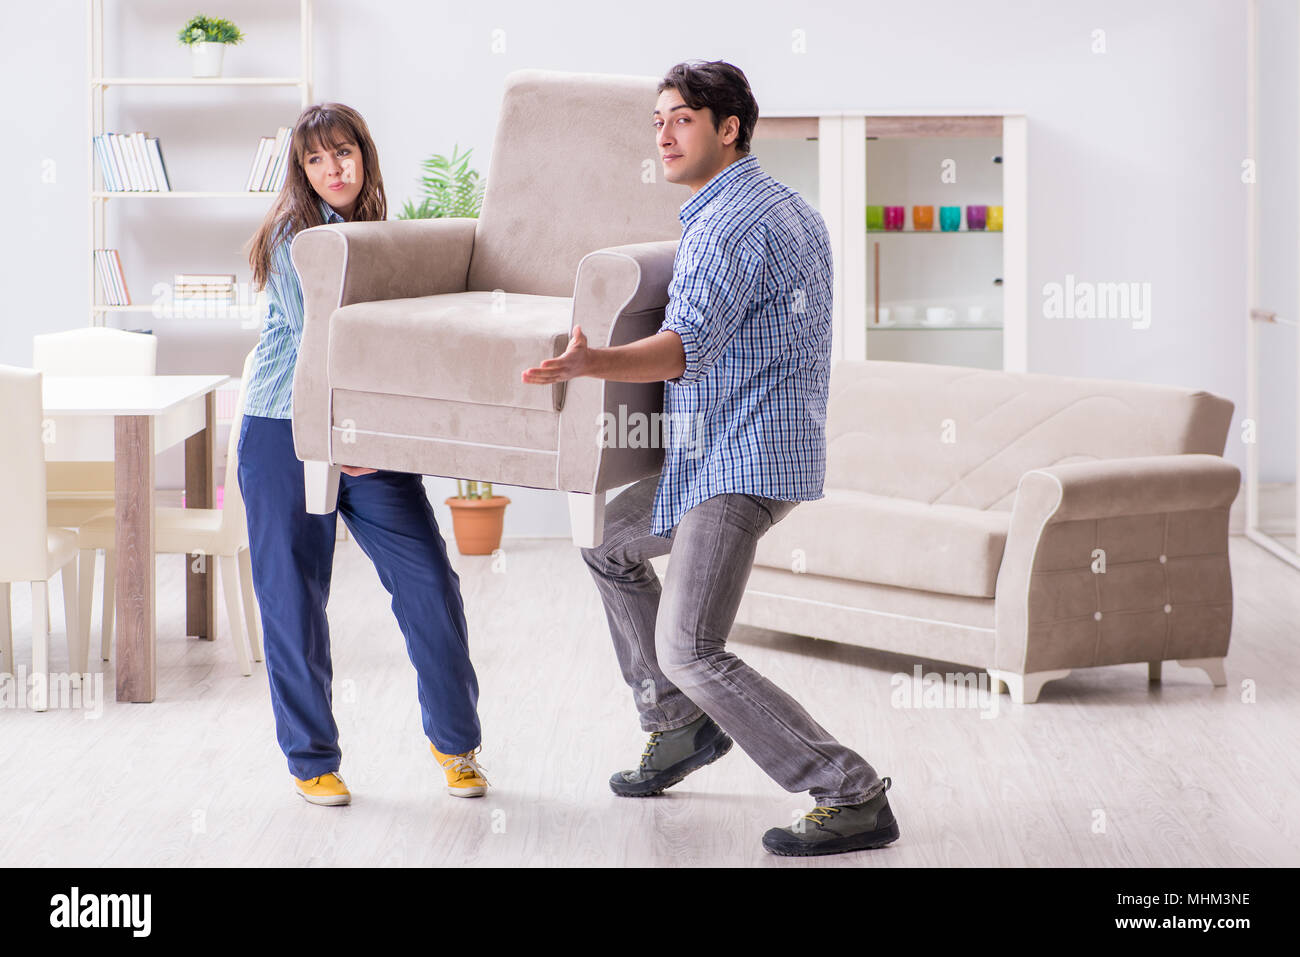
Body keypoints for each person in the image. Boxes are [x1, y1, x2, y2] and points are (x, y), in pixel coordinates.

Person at [521, 61, 899, 856]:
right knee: (606, 541)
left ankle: (850, 790)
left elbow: (683, 350)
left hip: (739, 459)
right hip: (730, 445)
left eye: (682, 118)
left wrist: (589, 363)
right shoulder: (784, 205)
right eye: (657, 118)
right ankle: (679, 724)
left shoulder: (729, 223)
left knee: (690, 646)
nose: (662, 133)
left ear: (729, 128)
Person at [239, 102, 487, 806]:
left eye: (342, 152)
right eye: (315, 160)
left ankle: (455, 743)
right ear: (301, 170)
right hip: (284, 429)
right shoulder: (294, 235)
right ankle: (310, 759)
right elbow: (322, 340)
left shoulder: (383, 232)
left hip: (367, 433)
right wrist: (339, 438)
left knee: (429, 584)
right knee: (292, 599)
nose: (332, 169)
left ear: (364, 155)